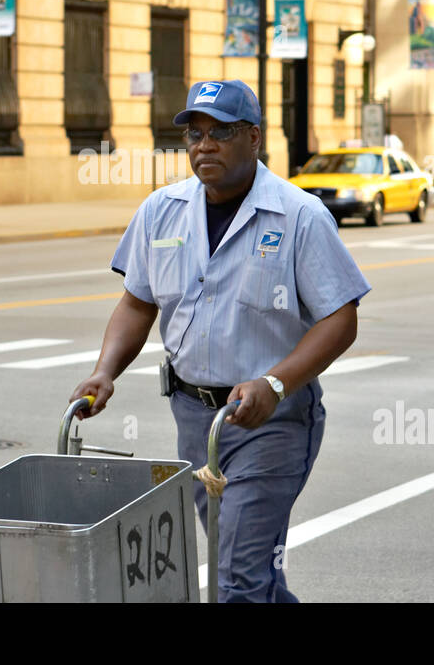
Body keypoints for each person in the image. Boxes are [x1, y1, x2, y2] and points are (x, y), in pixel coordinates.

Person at [69, 79, 370, 603]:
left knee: (237, 577)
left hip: (271, 422)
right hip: (196, 419)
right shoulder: (161, 210)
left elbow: (340, 318)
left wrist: (276, 384)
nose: (203, 145)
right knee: (247, 573)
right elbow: (138, 302)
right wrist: (105, 371)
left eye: (221, 132)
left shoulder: (300, 216)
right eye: (194, 134)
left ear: (253, 137)